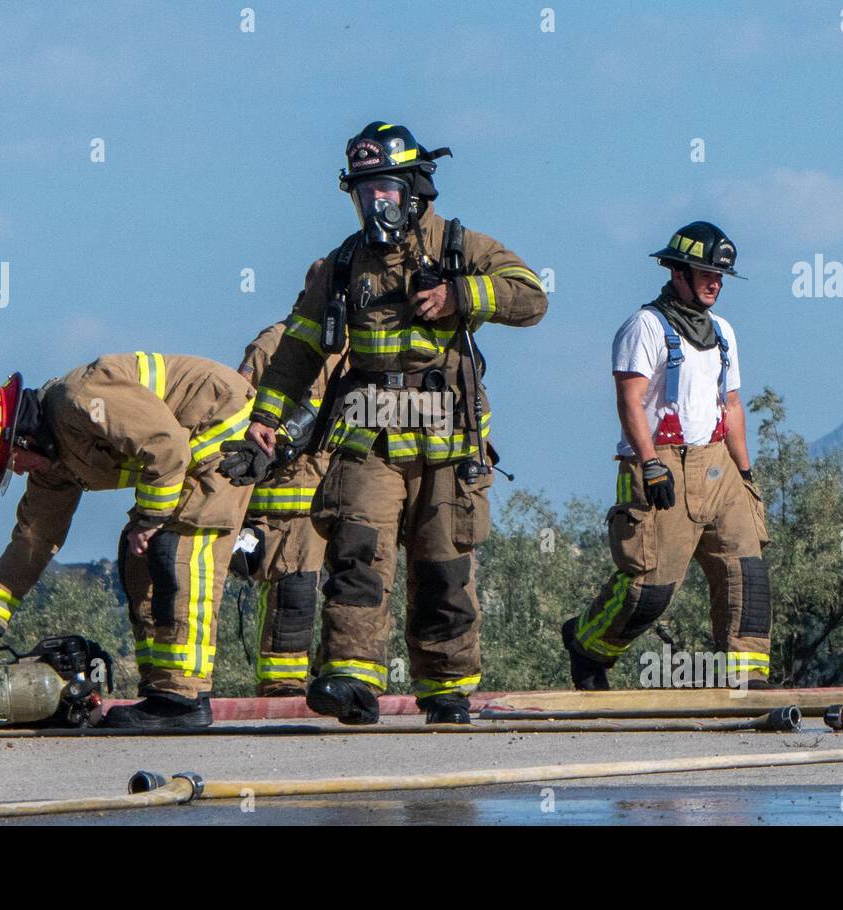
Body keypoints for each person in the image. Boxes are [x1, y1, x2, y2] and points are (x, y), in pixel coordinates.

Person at [235, 121, 548, 724]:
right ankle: (351, 681)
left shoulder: (462, 247)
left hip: (447, 443)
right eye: (363, 191)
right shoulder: (343, 265)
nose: (374, 202)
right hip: (368, 440)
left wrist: (465, 296)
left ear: (414, 188)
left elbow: (532, 297)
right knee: (357, 556)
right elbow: (298, 350)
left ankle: (446, 689)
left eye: (384, 189)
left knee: (444, 566)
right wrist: (266, 420)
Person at [0, 353, 254, 728]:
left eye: (13, 460)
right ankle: (158, 692)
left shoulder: (82, 398)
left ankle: (182, 699)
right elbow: (32, 543)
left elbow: (167, 446)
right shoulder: (53, 465)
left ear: (25, 435)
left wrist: (151, 518)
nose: (19, 470)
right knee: (138, 561)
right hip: (182, 454)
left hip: (218, 429)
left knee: (179, 550)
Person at [562, 221, 773, 691]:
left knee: (747, 574)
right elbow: (630, 400)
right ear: (677, 272)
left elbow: (732, 406)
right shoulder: (645, 327)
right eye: (704, 273)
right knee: (650, 589)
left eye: (720, 276)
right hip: (661, 465)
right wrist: (650, 462)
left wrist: (746, 474)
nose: (715, 283)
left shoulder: (723, 333)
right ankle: (587, 644)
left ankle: (747, 681)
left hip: (719, 465)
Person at [234, 305, 343, 697]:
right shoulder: (274, 344)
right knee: (292, 589)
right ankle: (282, 685)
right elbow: (238, 408)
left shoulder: (359, 345)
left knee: (352, 588)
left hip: (346, 490)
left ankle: (341, 676)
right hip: (288, 498)